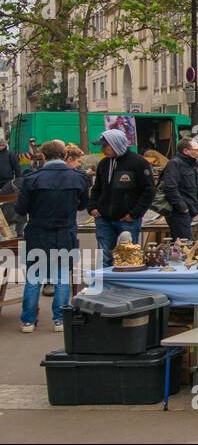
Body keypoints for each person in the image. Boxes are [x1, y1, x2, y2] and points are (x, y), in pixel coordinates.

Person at [15, 140, 88, 333]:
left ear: (44, 156)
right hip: (65, 230)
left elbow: (21, 208)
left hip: (38, 231)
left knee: (34, 276)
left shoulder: (32, 178)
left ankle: (28, 321)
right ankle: (59, 320)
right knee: (62, 275)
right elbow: (82, 205)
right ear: (65, 156)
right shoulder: (78, 177)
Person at [90, 129, 155, 264]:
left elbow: (149, 190)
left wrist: (135, 213)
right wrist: (92, 208)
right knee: (105, 257)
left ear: (116, 144)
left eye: (105, 146)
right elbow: (96, 188)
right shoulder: (104, 164)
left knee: (128, 257)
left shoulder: (139, 163)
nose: (103, 149)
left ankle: (126, 284)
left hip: (128, 219)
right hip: (104, 218)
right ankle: (106, 284)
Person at [161, 137, 198, 241]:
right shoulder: (175, 164)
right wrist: (183, 208)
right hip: (178, 213)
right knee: (186, 244)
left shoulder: (191, 165)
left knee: (184, 244)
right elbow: (170, 188)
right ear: (186, 151)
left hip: (188, 212)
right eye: (197, 149)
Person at [0, 137, 22, 236]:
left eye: (2, 145)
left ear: (4, 145)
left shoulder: (10, 154)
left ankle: (11, 225)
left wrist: (18, 181)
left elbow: (16, 168)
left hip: (7, 182)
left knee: (8, 204)